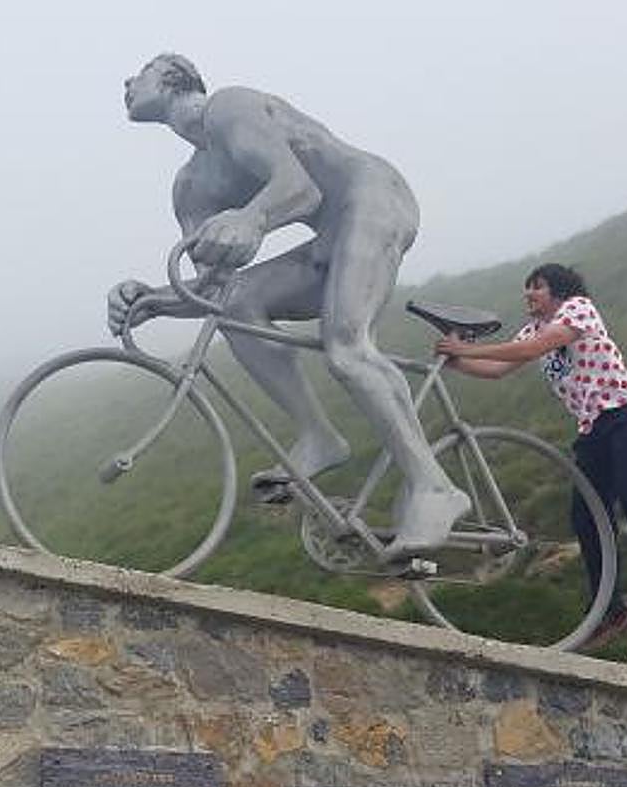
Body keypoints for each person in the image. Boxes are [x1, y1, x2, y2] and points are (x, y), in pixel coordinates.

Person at [104, 54, 469, 557]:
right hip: (328, 238)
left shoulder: (229, 107)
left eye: (140, 71)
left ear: (172, 79)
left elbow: (299, 187)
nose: (126, 81)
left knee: (345, 348)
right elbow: (210, 287)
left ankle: (435, 487)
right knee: (235, 303)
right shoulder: (190, 186)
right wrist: (151, 299)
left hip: (372, 198)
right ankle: (318, 435)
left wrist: (251, 218)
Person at [435, 264, 627, 644]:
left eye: (537, 287)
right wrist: (457, 360)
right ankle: (609, 607)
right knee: (587, 518)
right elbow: (498, 369)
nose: (529, 294)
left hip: (626, 414)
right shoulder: (533, 330)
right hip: (593, 429)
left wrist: (466, 347)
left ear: (559, 290)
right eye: (527, 288)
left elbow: (533, 349)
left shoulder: (578, 309)